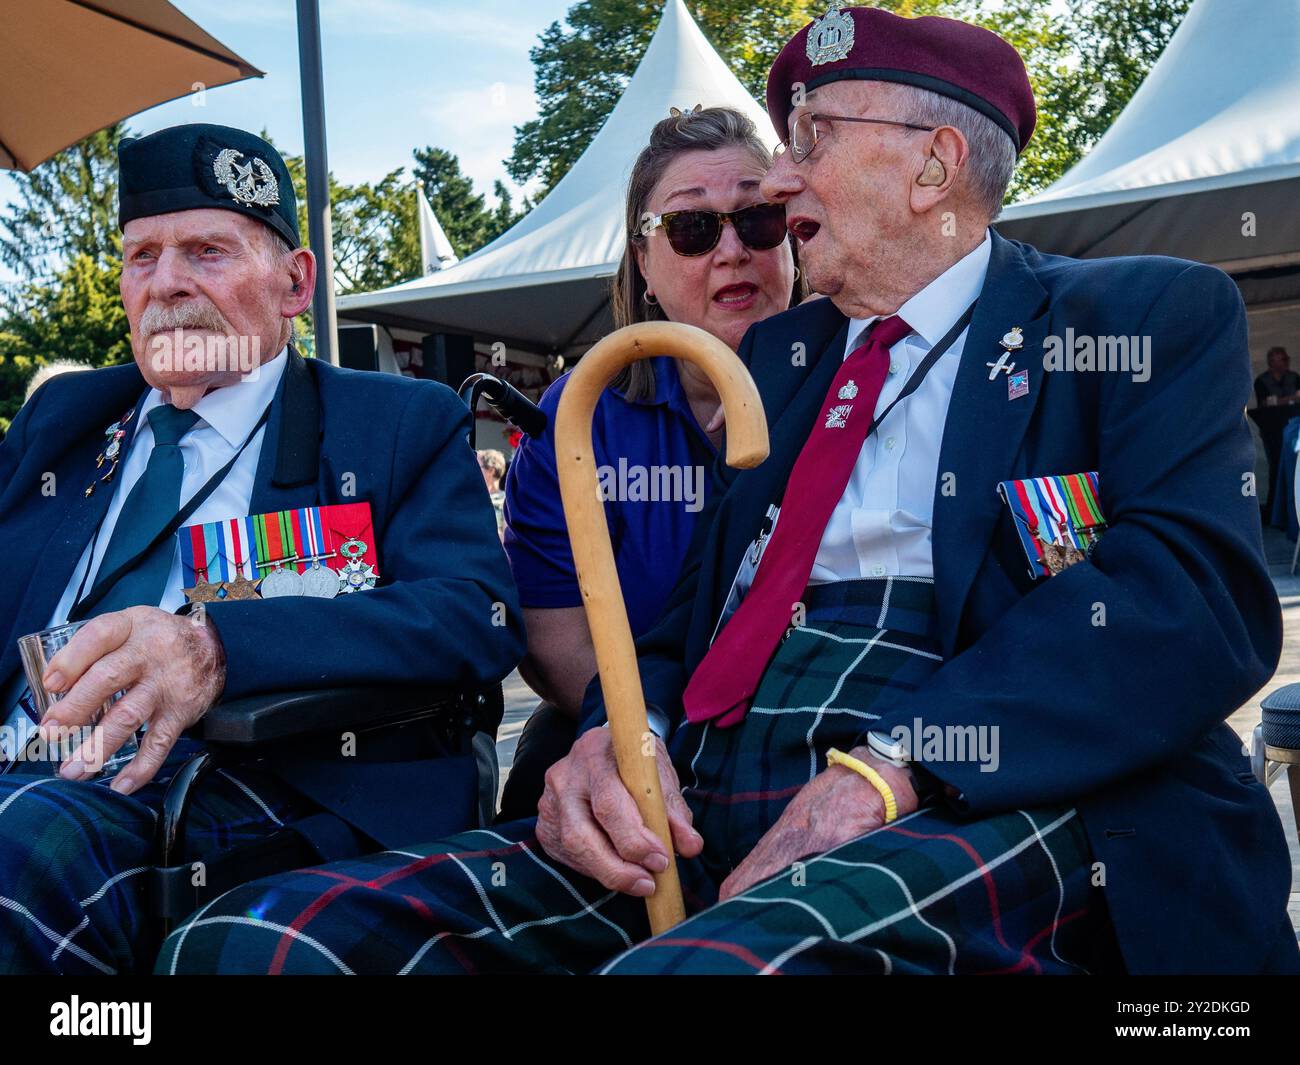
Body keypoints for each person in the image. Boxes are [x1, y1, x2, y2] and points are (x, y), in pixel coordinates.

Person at [160, 8, 1296, 976]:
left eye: (814, 138)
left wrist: (897, 763)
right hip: (713, 777)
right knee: (253, 945)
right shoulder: (783, 360)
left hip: (983, 781)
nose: (781, 176)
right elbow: (686, 619)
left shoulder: (1135, 317)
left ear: (935, 166)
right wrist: (621, 734)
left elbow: (1194, 598)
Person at [0, 123, 524, 974]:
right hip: (28, 752)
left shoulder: (392, 424)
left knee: (21, 842)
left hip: (239, 778)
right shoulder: (61, 422)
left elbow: (476, 615)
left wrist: (217, 646)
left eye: (207, 251)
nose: (166, 282)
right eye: (142, 257)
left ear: (295, 282)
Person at [497, 106, 797, 821]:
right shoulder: (581, 411)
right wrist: (650, 735)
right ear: (644, 263)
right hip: (628, 726)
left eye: (758, 219)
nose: (731, 251)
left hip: (804, 728)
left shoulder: (865, 374)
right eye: (692, 229)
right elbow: (553, 632)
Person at [476, 448, 507, 539]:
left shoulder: (506, 501)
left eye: (477, 466)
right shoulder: (472, 498)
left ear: (491, 470)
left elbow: (507, 538)